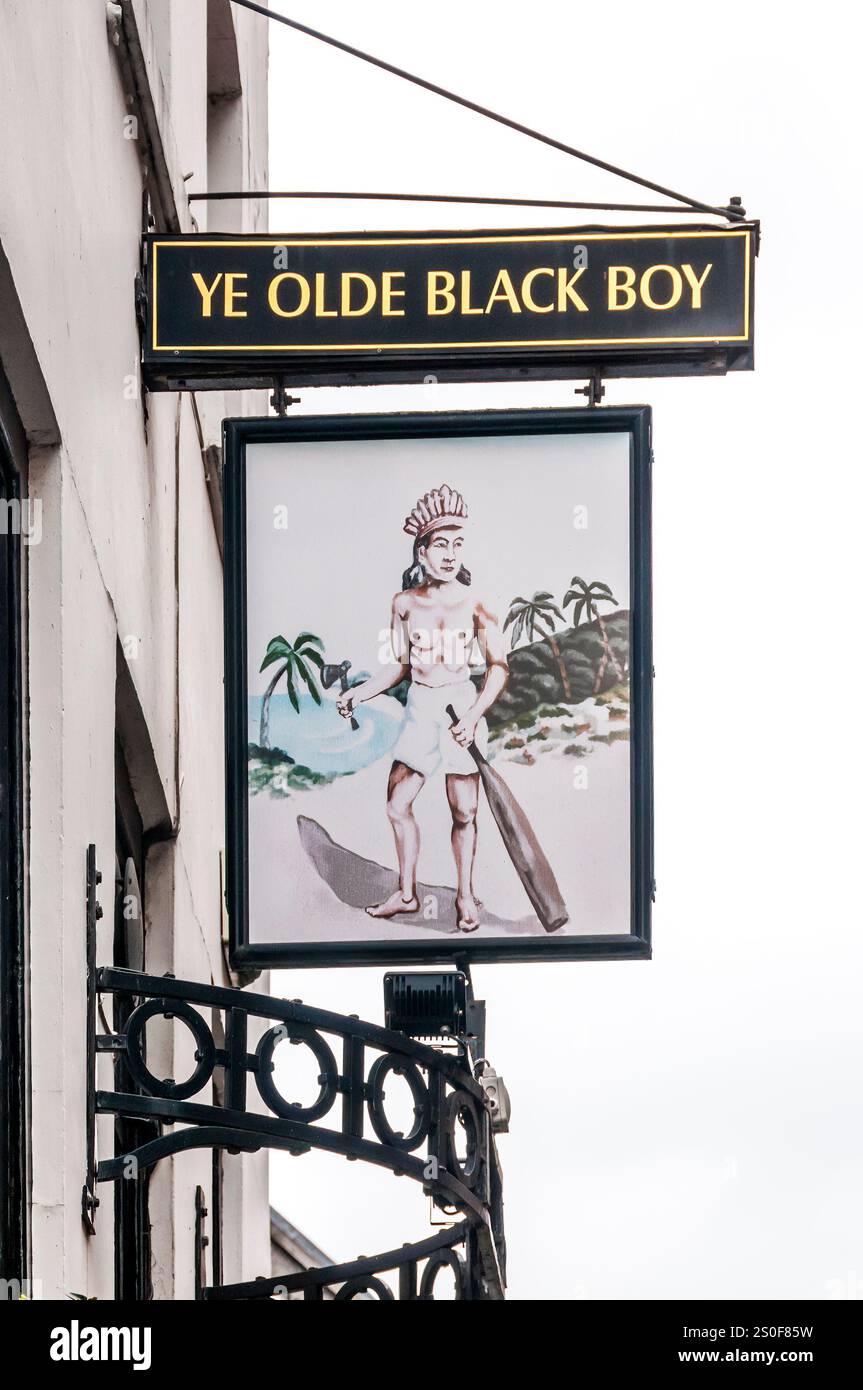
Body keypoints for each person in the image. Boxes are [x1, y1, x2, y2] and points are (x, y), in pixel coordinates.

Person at [337, 484, 508, 932]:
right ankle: (407, 893)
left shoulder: (477, 604)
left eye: (457, 544)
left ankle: (466, 899)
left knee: (464, 811)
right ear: (422, 551)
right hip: (421, 710)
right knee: (397, 804)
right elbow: (399, 665)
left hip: (460, 707)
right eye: (440, 544)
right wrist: (359, 694)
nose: (450, 554)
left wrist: (472, 718)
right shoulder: (404, 604)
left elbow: (498, 668)